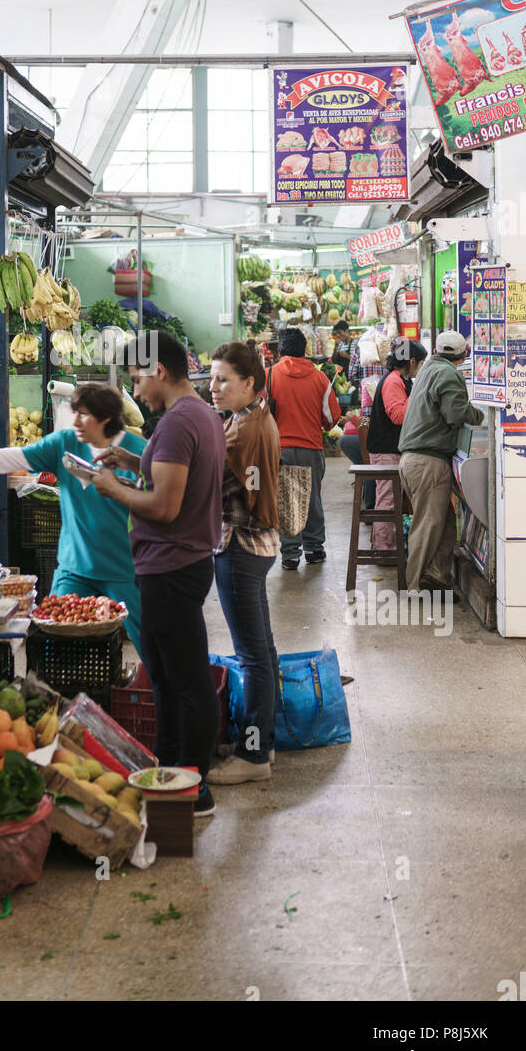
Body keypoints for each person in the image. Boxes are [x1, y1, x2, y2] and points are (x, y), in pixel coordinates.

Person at [93, 330, 226, 818]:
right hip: (185, 561)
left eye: (137, 379)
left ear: (160, 372)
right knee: (167, 677)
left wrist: (113, 488)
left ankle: (195, 786)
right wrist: (132, 460)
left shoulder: (174, 424)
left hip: (171, 564)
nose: (136, 391)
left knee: (186, 679)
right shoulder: (200, 416)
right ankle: (171, 770)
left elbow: (165, 507)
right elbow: (174, 475)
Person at [0, 384, 146, 653]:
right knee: (52, 633)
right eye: (74, 413)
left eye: (84, 415)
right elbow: (23, 457)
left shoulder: (139, 451)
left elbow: (162, 500)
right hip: (75, 566)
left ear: (105, 418)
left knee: (147, 640)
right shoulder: (64, 443)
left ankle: (157, 690)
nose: (76, 421)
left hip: (125, 568)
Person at [206, 342, 280, 785]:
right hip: (256, 546)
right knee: (262, 652)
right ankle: (264, 741)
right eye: (212, 379)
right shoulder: (251, 417)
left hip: (240, 548)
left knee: (252, 656)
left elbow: (207, 485)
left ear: (248, 383)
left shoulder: (244, 432)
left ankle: (254, 757)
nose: (213, 388)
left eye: (222, 380)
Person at [398, 331, 483, 594]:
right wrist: (479, 414)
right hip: (428, 462)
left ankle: (434, 578)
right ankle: (413, 587)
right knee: (427, 526)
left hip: (413, 460)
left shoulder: (429, 369)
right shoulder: (449, 374)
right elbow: (455, 413)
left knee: (445, 523)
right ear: (463, 354)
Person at [266, 327, 341, 570]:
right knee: (312, 499)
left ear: (280, 351)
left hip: (280, 449)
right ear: (304, 350)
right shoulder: (320, 378)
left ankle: (290, 554)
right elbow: (331, 419)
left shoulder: (268, 376)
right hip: (311, 446)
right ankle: (314, 549)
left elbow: (257, 413)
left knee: (287, 500)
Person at [366, 339, 427, 552]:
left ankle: (387, 546)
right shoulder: (393, 381)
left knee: (390, 497)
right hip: (386, 449)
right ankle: (384, 549)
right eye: (421, 363)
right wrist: (418, 391)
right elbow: (399, 415)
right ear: (411, 361)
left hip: (390, 448)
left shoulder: (399, 379)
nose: (422, 368)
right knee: (387, 499)